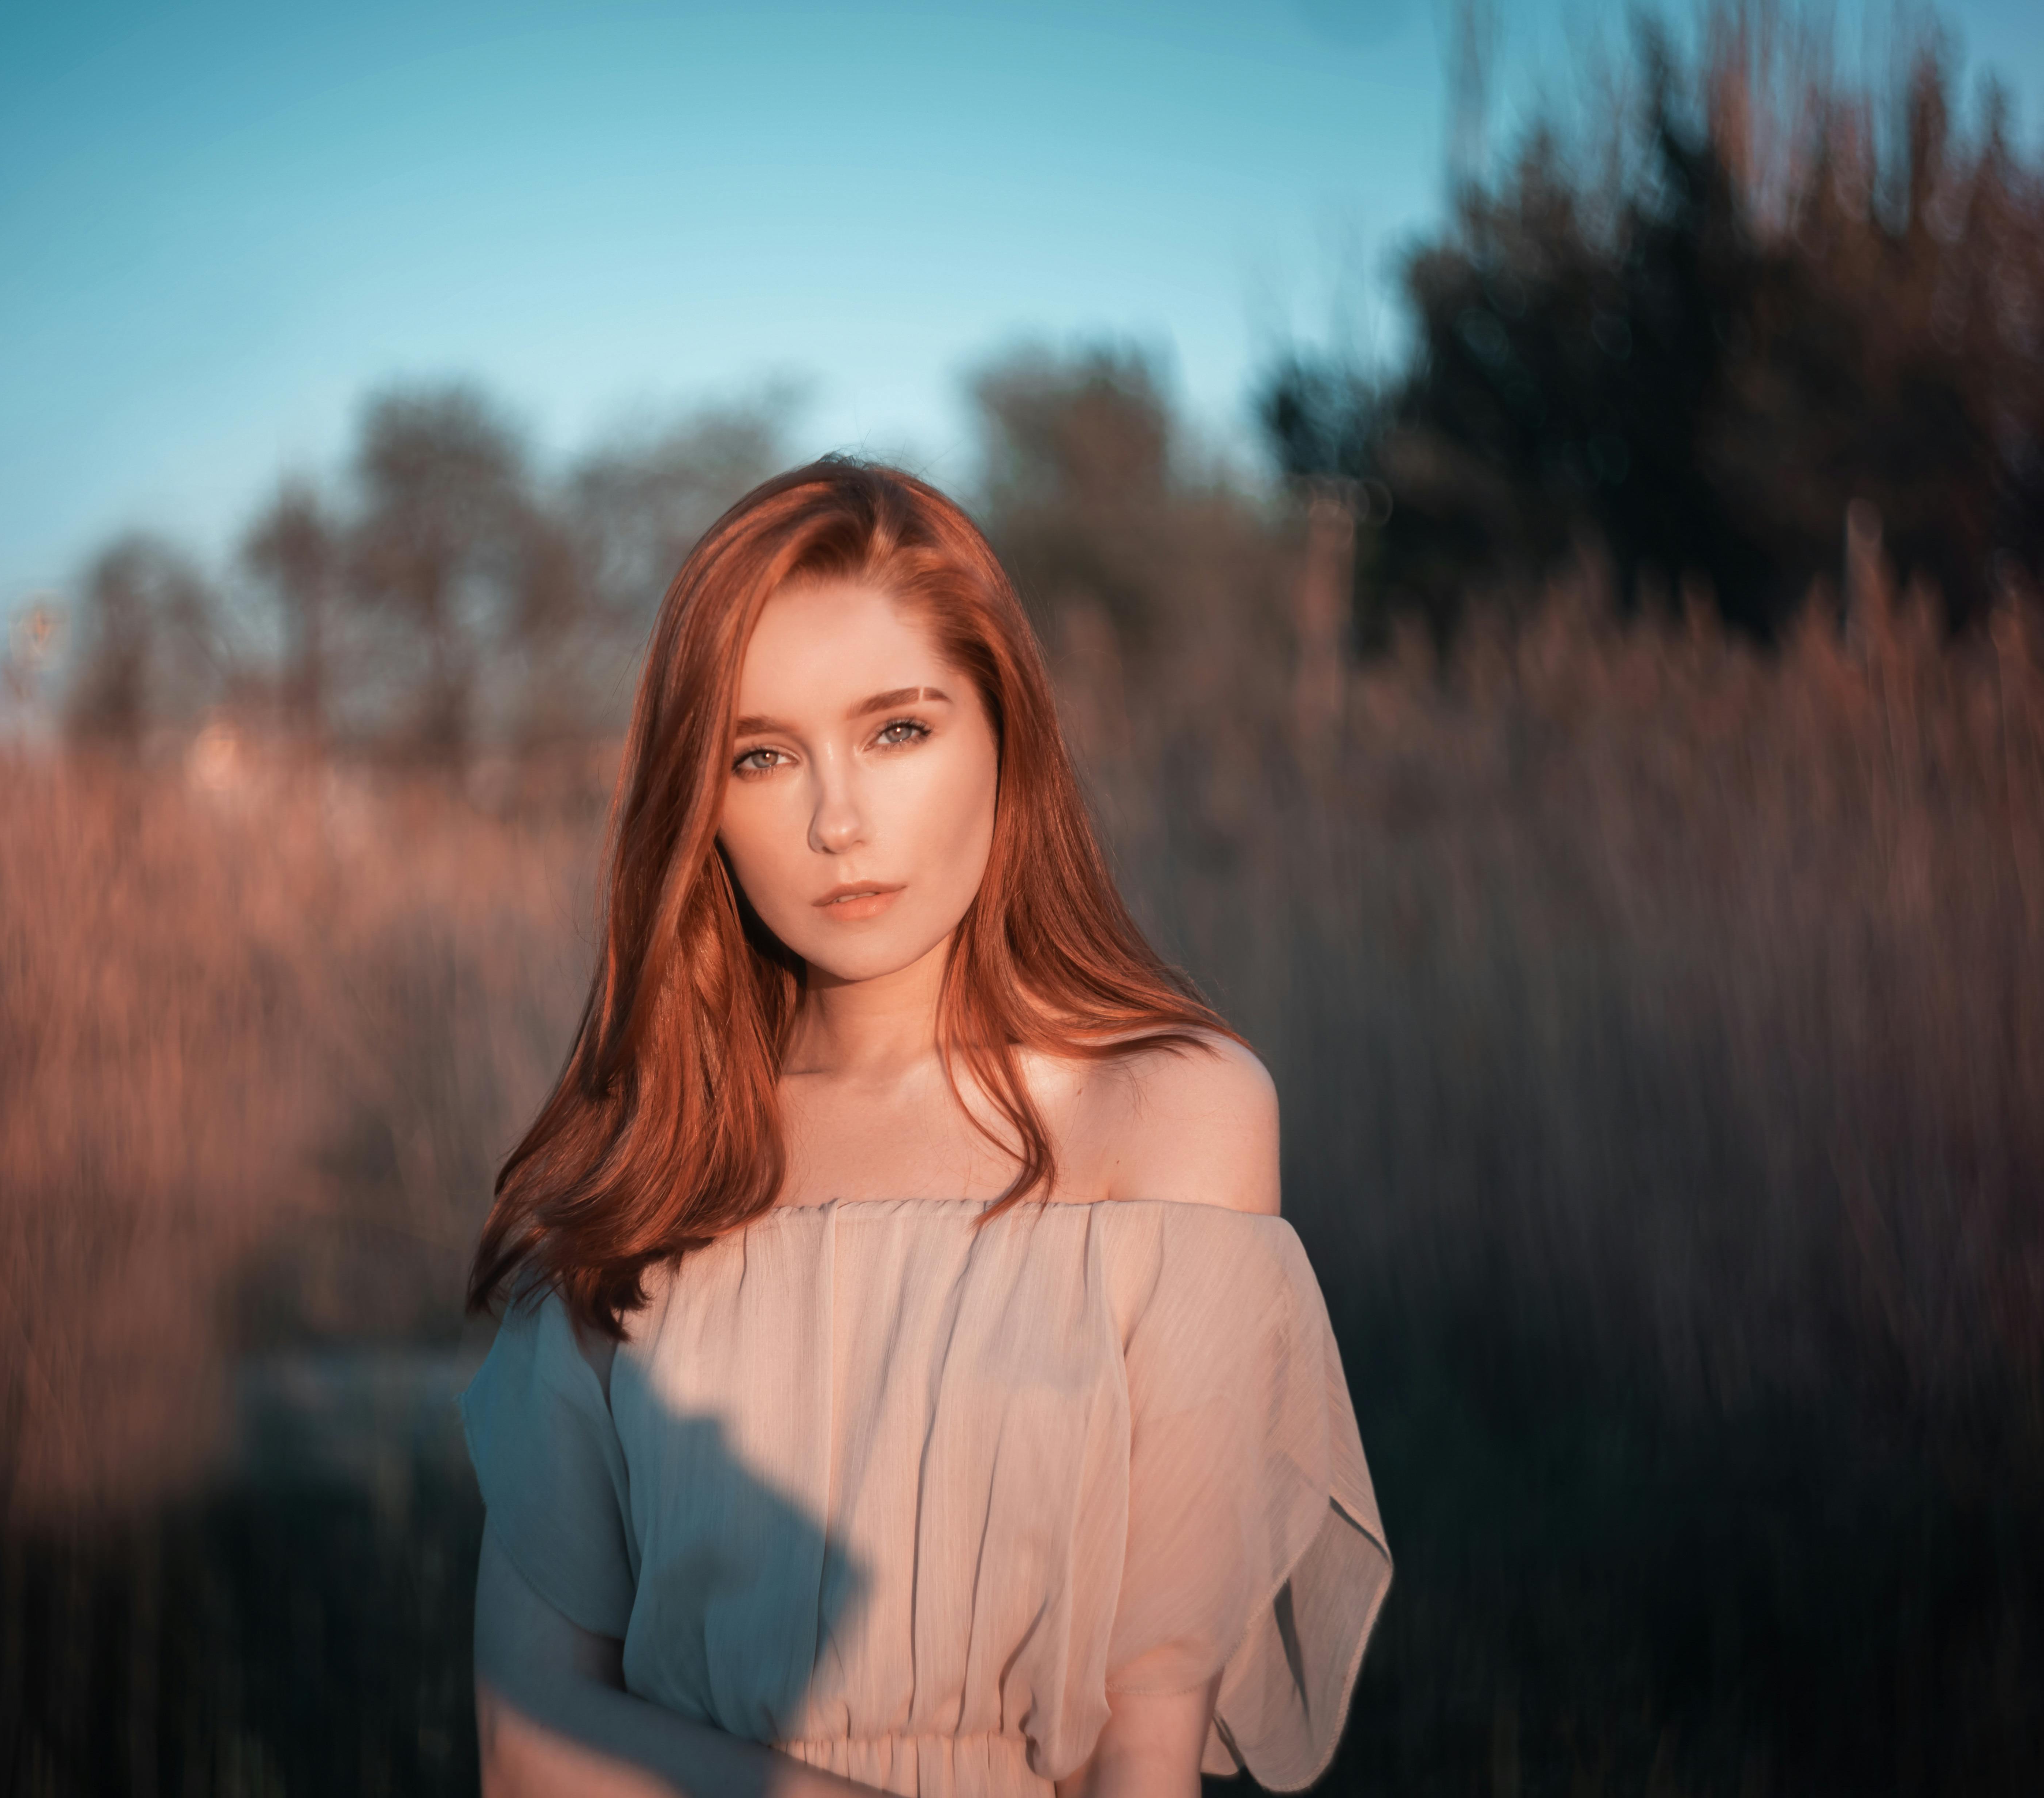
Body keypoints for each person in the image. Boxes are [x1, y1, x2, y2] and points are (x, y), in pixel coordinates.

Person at [461, 458, 1390, 1797]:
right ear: (700, 806)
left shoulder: (1172, 1115)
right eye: (762, 755)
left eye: (898, 730)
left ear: (1006, 737)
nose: (838, 820)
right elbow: (527, 1742)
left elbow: (1147, 1740)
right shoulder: (645, 1167)